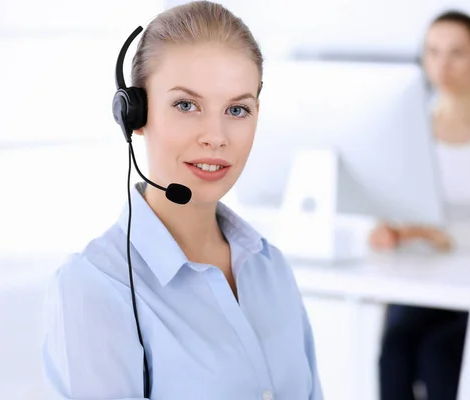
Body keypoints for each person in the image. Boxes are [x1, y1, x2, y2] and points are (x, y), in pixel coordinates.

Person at [41, 2, 323, 399]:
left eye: (237, 109)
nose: (217, 135)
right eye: (186, 105)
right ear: (134, 114)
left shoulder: (270, 267)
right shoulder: (97, 286)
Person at [370, 10, 470, 400]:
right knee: (394, 350)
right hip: (421, 277)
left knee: (438, 354)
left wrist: (444, 237)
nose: (442, 65)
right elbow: (387, 200)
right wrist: (387, 229)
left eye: (456, 53)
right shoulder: (407, 127)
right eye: (432, 52)